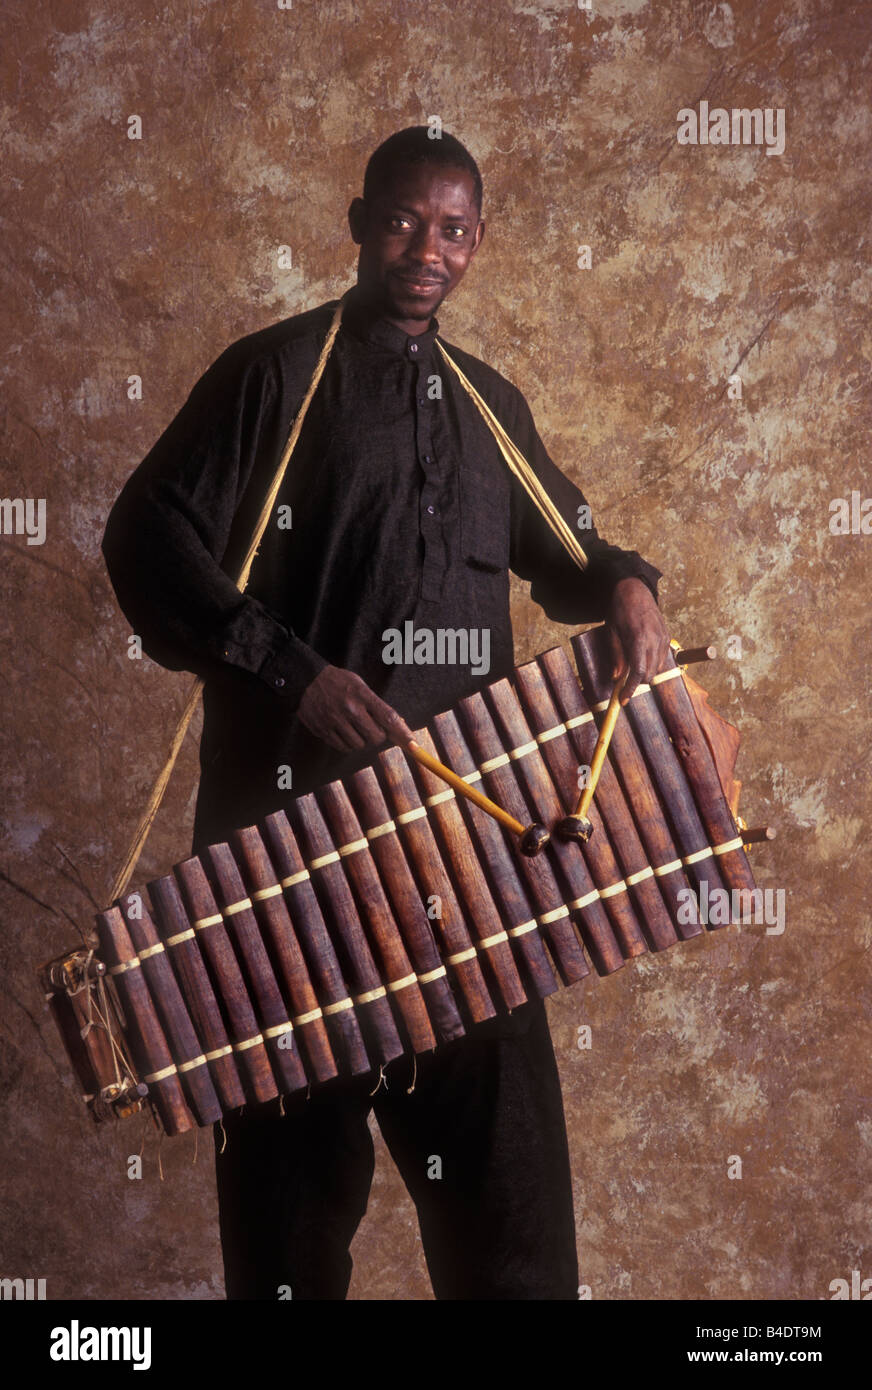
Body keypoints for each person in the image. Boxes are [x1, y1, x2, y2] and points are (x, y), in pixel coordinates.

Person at [103, 126, 670, 1301]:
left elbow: (567, 552)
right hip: (286, 873)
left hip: (467, 872)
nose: (427, 249)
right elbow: (145, 535)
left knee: (515, 1248)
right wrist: (290, 668)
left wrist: (625, 582)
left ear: (477, 243)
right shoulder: (272, 373)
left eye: (452, 229)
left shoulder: (488, 404)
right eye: (404, 221)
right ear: (358, 224)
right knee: (287, 1239)